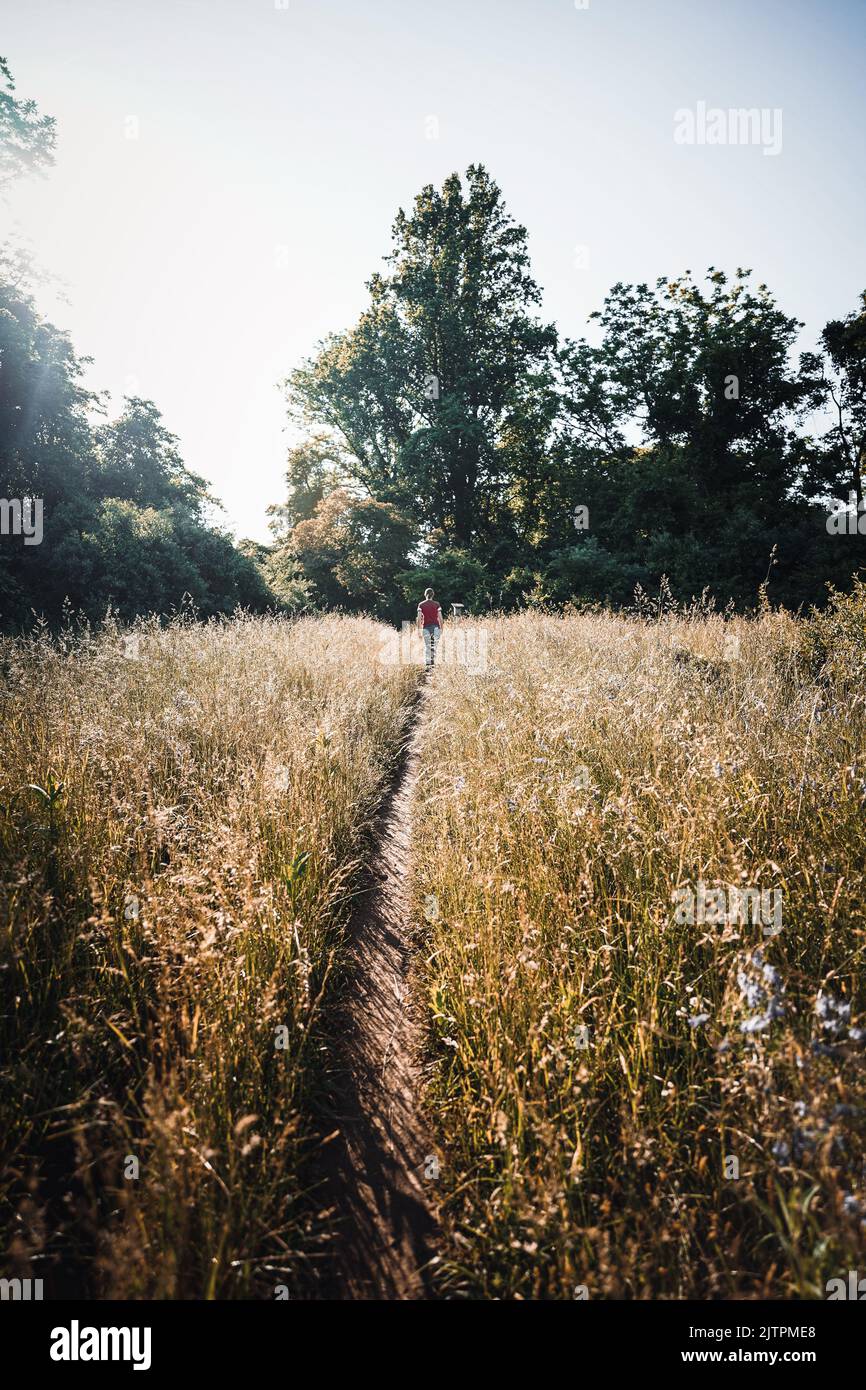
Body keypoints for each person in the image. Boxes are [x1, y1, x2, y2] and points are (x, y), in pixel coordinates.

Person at [417, 587, 444, 670]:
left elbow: (419, 618)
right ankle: (433, 664)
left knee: (427, 646)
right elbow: (440, 618)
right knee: (434, 646)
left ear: (425, 594)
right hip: (436, 627)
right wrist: (441, 628)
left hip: (426, 627)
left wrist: (419, 630)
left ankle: (428, 666)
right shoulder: (437, 604)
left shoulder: (421, 605)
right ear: (433, 595)